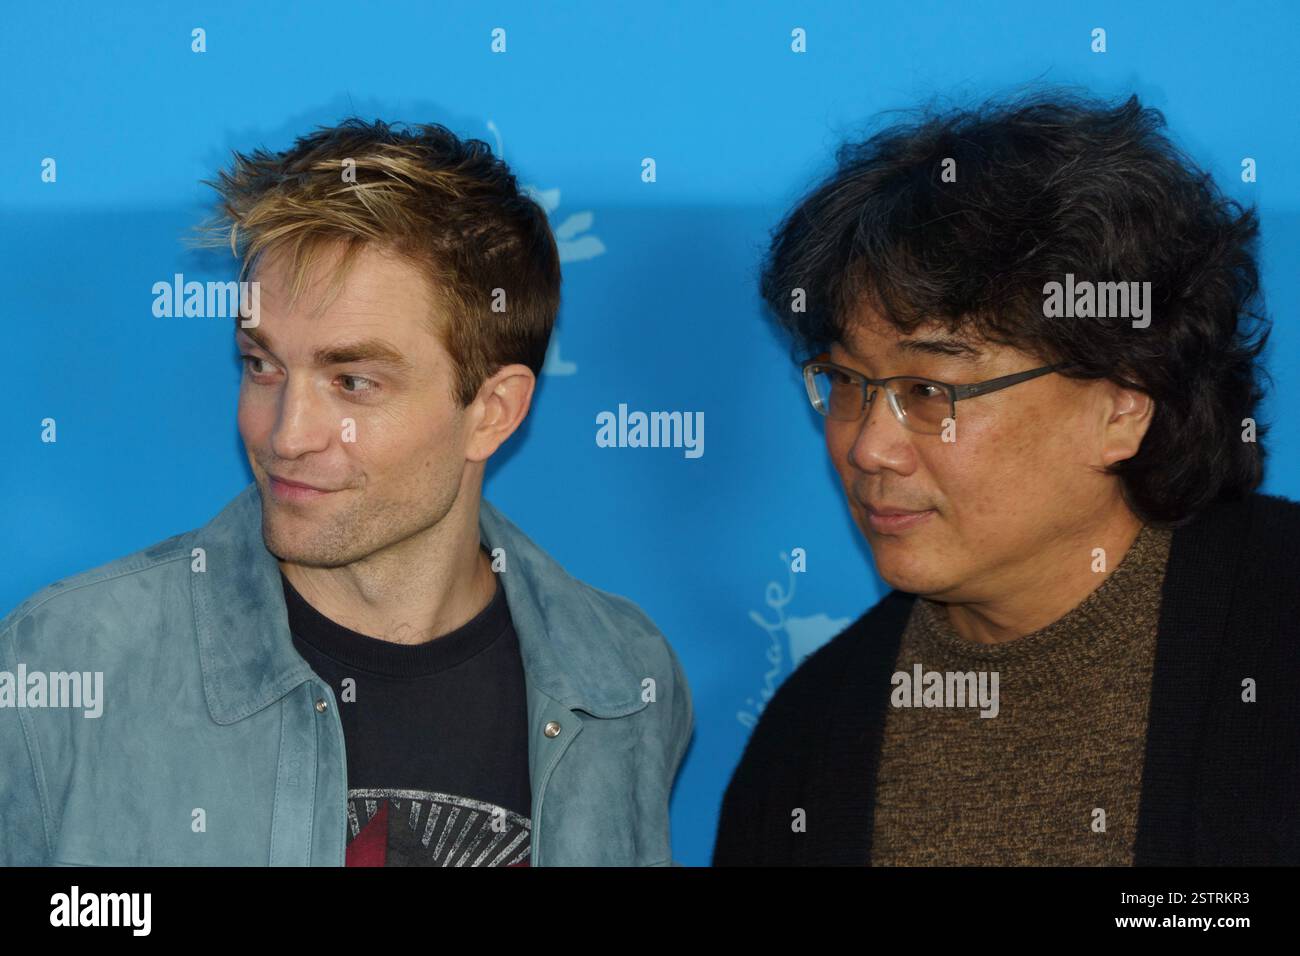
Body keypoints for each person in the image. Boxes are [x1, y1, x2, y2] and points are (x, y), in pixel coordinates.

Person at [0, 119, 692, 867]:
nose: (286, 434)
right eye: (261, 365)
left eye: (353, 382)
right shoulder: (67, 666)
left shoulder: (625, 680)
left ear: (491, 412)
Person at [713, 90, 1299, 866]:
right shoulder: (811, 737)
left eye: (931, 391)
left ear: (1123, 404)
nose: (868, 447)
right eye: (847, 384)